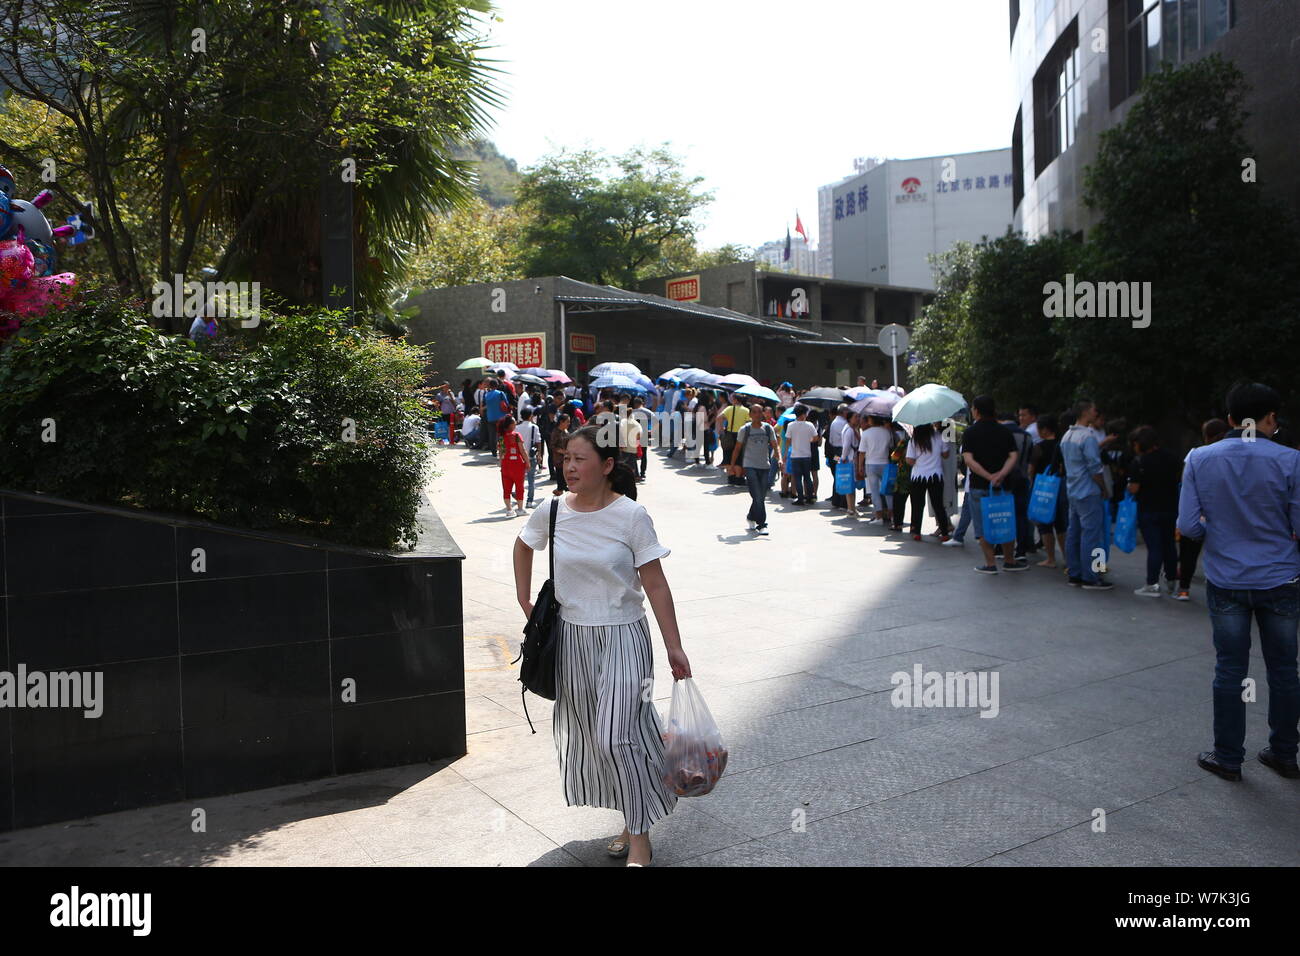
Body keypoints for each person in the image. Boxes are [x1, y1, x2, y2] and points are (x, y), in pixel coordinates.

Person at [512, 424, 692, 866]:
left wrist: (674, 646)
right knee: (601, 737)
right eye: (565, 458)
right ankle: (634, 813)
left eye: (579, 459)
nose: (569, 467)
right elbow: (522, 546)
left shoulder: (631, 515)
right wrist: (525, 599)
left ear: (608, 466)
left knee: (616, 738)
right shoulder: (552, 510)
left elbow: (655, 582)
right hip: (572, 639)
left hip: (624, 635)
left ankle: (640, 840)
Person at [1178, 382, 1300, 782]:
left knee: (1229, 668)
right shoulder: (1291, 461)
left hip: (1227, 579)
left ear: (1230, 419)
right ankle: (1284, 753)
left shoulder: (1199, 458)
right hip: (1281, 577)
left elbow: (1187, 528)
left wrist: (1218, 527)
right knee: (1284, 669)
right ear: (1270, 419)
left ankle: (1228, 757)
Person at [960, 396, 1028, 574]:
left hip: (979, 485)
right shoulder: (1005, 432)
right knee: (1005, 521)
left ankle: (990, 563)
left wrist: (988, 476)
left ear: (976, 411)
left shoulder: (970, 433)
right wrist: (1001, 474)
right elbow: (1013, 456)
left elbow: (969, 460)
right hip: (1003, 486)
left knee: (982, 526)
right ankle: (1009, 560)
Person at [1059, 400, 1112, 589]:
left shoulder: (1067, 435)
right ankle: (1093, 575)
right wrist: (1104, 488)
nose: (1096, 413)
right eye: (1093, 410)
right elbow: (1095, 467)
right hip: (1089, 491)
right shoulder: (1088, 437)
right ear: (1086, 412)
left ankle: (1075, 573)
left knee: (1074, 532)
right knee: (1093, 535)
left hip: (1073, 489)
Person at [1175, 418, 1229, 600]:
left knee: (1188, 553)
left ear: (1206, 436)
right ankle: (1221, 585)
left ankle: (1183, 589)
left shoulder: (1195, 455)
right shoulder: (1235, 456)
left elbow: (1185, 484)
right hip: (1226, 514)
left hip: (1199, 512)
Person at [1127, 425, 1181, 598]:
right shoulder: (1172, 458)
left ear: (1140, 443)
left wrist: (1129, 486)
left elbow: (1134, 488)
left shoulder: (1140, 462)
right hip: (1170, 507)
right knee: (1169, 546)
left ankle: (1152, 583)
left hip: (1149, 508)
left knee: (1155, 547)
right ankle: (1172, 581)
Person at [731, 402, 781, 535]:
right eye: (755, 412)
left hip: (765, 466)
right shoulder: (745, 429)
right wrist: (732, 465)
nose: (758, 414)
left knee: (760, 496)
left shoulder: (768, 428)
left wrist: (779, 458)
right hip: (750, 466)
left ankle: (751, 516)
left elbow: (775, 445)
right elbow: (737, 448)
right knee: (757, 495)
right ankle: (761, 524)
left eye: (760, 412)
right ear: (750, 415)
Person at [1027, 414, 1068, 569]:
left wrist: (1031, 482)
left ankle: (1050, 558)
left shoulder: (1039, 447)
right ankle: (1067, 557)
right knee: (1061, 524)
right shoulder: (1061, 444)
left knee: (1044, 524)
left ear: (1044, 430)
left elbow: (1031, 469)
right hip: (1059, 487)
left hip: (1042, 488)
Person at [906, 422, 951, 541]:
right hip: (936, 475)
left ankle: (916, 532)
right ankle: (945, 532)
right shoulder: (940, 436)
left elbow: (909, 460)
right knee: (938, 505)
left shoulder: (913, 440)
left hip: (918, 476)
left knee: (917, 505)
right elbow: (946, 455)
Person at [860, 415, 894, 523]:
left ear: (871, 420)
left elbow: (862, 452)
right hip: (885, 463)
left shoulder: (866, 433)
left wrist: (859, 466)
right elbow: (891, 446)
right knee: (888, 490)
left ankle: (879, 516)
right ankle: (892, 515)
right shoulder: (887, 432)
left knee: (874, 491)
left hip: (871, 463)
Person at [785, 404, 818, 505]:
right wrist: (808, 440)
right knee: (807, 477)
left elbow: (788, 440)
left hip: (795, 455)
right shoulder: (810, 425)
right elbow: (816, 438)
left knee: (797, 477)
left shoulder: (790, 425)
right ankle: (809, 496)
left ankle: (800, 499)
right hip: (807, 455)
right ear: (804, 414)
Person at [498, 416, 528, 516]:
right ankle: (520, 509)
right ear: (511, 425)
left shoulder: (501, 437)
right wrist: (527, 462)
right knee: (519, 487)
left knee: (506, 489)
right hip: (517, 465)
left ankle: (509, 509)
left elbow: (501, 453)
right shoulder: (516, 436)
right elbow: (522, 450)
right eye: (514, 422)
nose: (516, 424)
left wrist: (501, 465)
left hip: (506, 465)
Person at [719, 393, 749, 485]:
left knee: (728, 455)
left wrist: (722, 429)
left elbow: (719, 418)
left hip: (729, 434)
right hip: (741, 435)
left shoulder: (729, 408)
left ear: (736, 400)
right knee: (739, 457)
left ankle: (730, 477)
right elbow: (748, 423)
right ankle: (738, 478)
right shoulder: (746, 410)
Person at [516, 407, 543, 509]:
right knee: (531, 480)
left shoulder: (517, 428)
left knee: (520, 480)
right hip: (531, 457)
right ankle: (529, 501)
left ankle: (519, 499)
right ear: (531, 416)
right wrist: (539, 454)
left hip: (519, 457)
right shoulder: (534, 427)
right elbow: (538, 442)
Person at [825, 404, 849, 508]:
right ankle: (843, 501)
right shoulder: (844, 423)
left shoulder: (833, 422)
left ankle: (836, 499)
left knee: (837, 474)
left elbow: (830, 440)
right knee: (843, 475)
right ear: (844, 412)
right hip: (841, 452)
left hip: (835, 452)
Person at [481, 378, 510, 457]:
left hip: (490, 417)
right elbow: (507, 404)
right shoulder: (500, 393)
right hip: (500, 417)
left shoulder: (487, 395)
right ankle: (502, 449)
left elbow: (487, 405)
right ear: (497, 385)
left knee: (492, 435)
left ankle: (493, 451)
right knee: (501, 434)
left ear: (490, 386)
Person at [839, 411, 861, 518]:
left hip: (853, 459)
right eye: (855, 417)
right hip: (849, 460)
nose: (858, 419)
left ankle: (852, 507)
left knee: (852, 485)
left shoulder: (854, 429)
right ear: (849, 419)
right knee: (849, 485)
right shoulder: (849, 430)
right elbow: (846, 446)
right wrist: (843, 458)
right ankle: (850, 509)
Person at [549, 413, 571, 495]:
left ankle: (561, 489)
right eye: (567, 422)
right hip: (559, 459)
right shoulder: (556, 432)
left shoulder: (566, 431)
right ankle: (560, 490)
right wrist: (562, 451)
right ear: (561, 422)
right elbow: (552, 446)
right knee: (560, 476)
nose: (569, 424)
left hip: (567, 458)